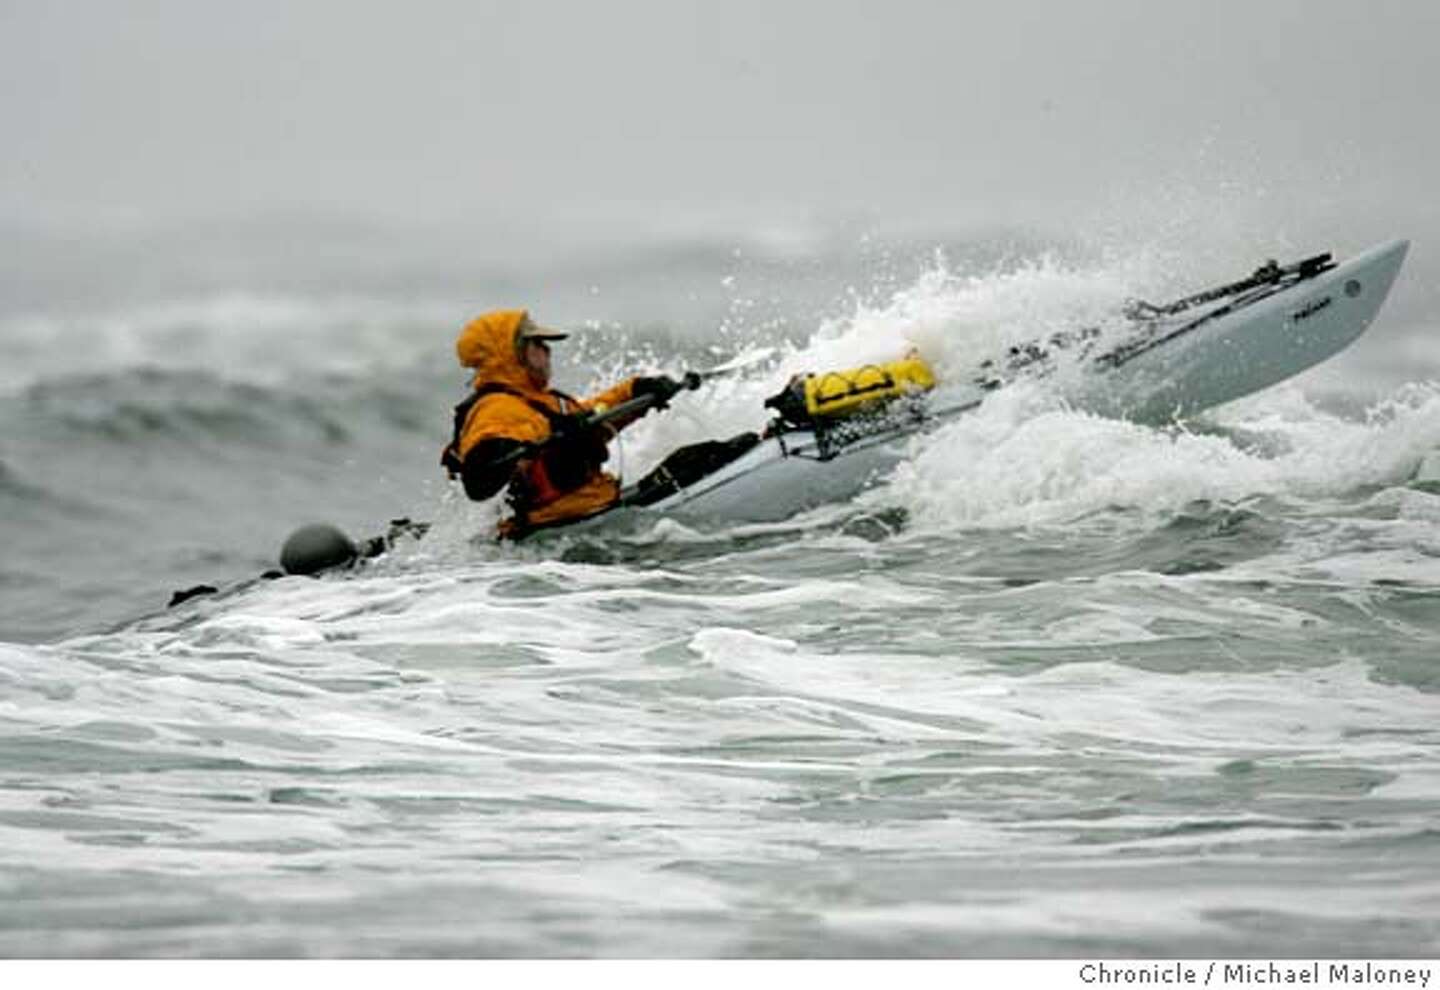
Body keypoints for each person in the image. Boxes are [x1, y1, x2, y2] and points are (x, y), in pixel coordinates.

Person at [440, 308, 689, 534]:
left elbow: (594, 416)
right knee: (699, 460)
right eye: (537, 342)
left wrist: (636, 390)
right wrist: (505, 450)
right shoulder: (496, 408)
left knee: (692, 458)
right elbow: (479, 477)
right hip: (560, 528)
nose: (548, 350)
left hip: (591, 511)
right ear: (514, 352)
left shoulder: (540, 401)